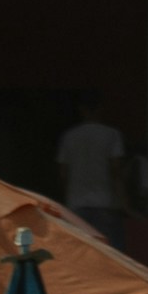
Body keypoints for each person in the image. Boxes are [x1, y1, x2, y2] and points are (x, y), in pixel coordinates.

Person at [58, 94, 136, 243]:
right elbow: (116, 172)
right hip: (104, 202)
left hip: (75, 202)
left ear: (82, 110)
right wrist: (125, 205)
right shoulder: (111, 135)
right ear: (100, 109)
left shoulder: (69, 136)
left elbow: (63, 173)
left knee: (80, 249)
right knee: (108, 250)